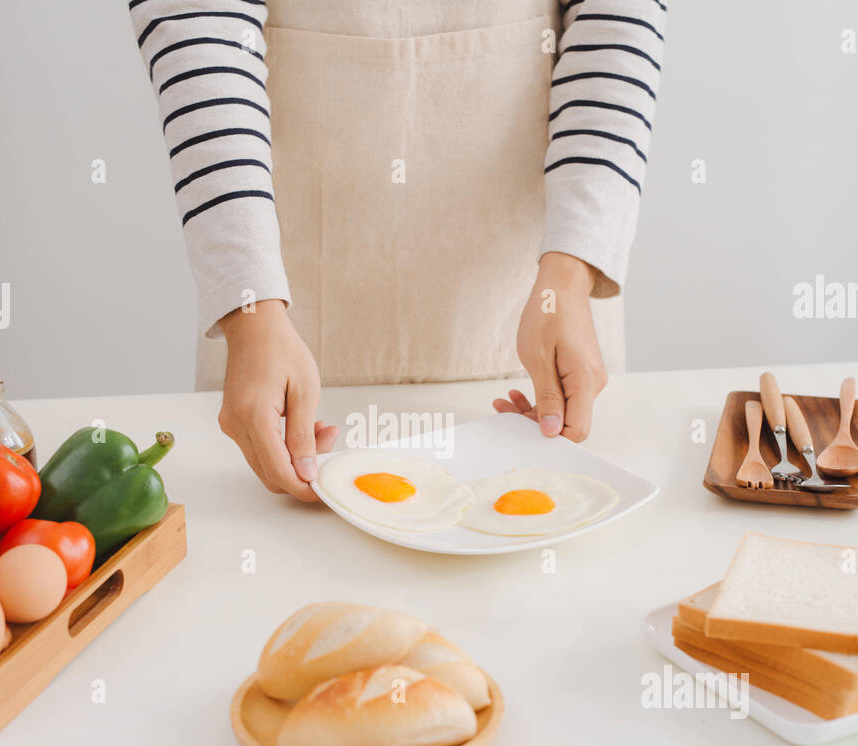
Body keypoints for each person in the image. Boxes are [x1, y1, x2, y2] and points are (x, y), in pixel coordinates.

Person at [128, 0, 665, 500]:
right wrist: (251, 307)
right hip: (280, 325)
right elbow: (199, 29)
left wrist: (571, 272)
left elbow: (619, 16)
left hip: (539, 304)